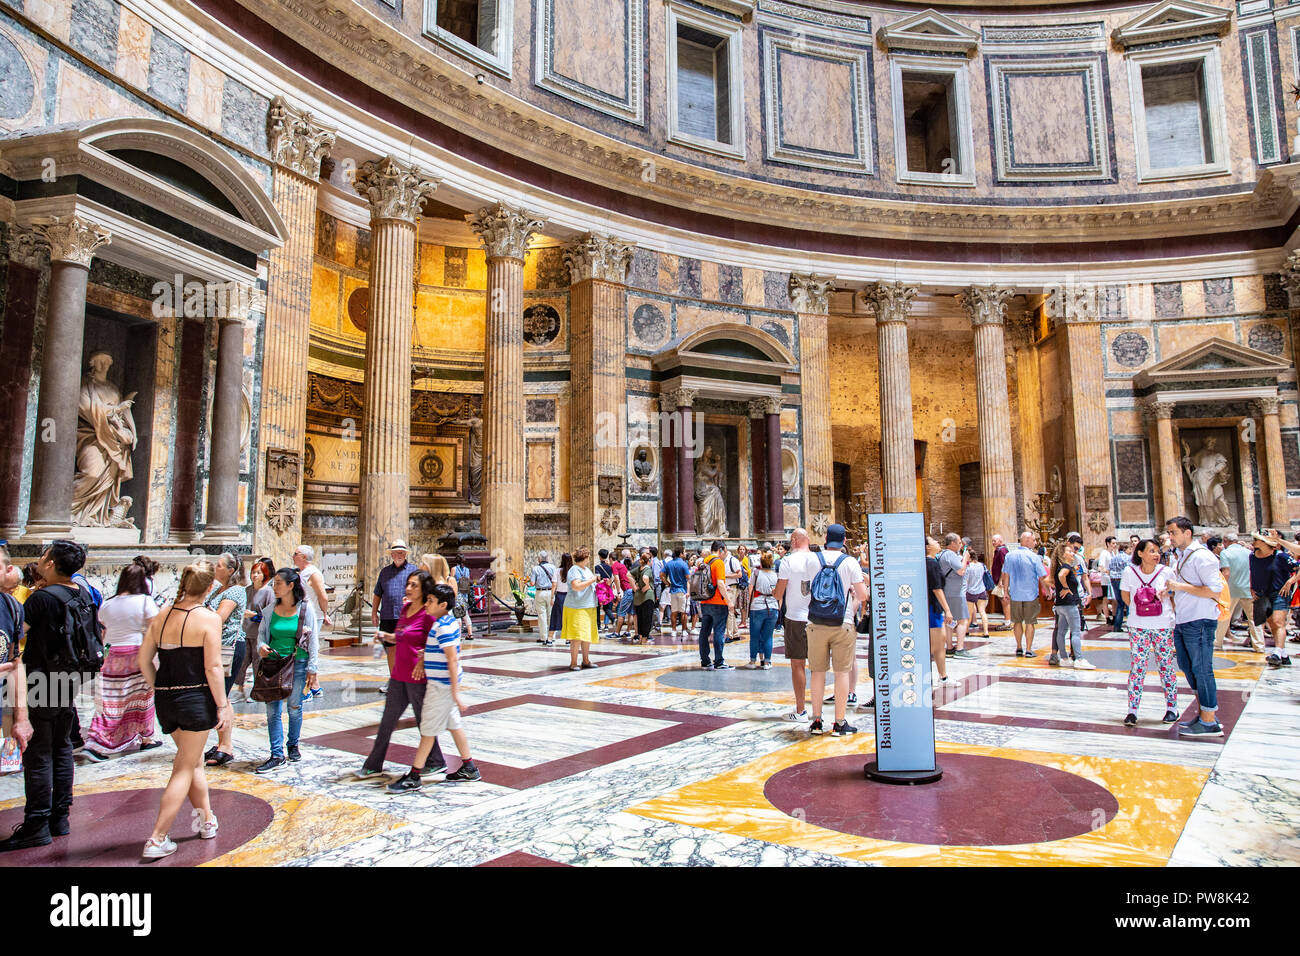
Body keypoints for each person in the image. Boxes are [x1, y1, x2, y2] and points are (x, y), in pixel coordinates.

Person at [0, 540, 99, 852]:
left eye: (44, 558)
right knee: (61, 747)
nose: (40, 562)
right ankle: (60, 816)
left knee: (38, 752)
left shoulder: (42, 598)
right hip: (70, 677)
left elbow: (18, 631)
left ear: (52, 564)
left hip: (42, 677)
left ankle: (36, 824)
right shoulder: (82, 592)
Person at [137, 560, 230, 859]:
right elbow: (213, 667)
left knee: (192, 764)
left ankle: (207, 820)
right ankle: (156, 838)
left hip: (166, 701)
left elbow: (143, 661)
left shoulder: (162, 615)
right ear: (209, 587)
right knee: (182, 769)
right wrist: (223, 705)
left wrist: (158, 688)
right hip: (195, 700)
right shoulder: (208, 618)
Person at [386, 582, 480, 790]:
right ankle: (469, 767)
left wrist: (455, 693)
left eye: (430, 601)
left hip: (442, 687)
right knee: (454, 725)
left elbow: (452, 659)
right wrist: (425, 655)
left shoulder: (444, 626)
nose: (426, 604)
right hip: (443, 686)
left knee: (428, 730)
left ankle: (414, 775)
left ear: (443, 604)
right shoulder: (445, 621)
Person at [354, 571, 447, 780]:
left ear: (424, 589)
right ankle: (373, 764)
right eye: (408, 584)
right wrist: (385, 636)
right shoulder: (405, 608)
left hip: (417, 675)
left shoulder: (428, 614)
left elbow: (436, 643)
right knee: (387, 720)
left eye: (414, 585)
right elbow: (400, 636)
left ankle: (436, 760)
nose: (408, 588)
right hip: (398, 674)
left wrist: (424, 660)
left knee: (424, 721)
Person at [83, 563, 161, 760]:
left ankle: (97, 740)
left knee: (110, 700)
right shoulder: (145, 601)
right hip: (138, 652)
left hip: (113, 654)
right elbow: (154, 630)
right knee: (142, 698)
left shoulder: (109, 603)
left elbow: (103, 629)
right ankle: (145, 738)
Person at [803, 524, 868, 736]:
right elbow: (863, 595)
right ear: (844, 541)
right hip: (843, 622)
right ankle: (839, 723)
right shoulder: (850, 562)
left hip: (816, 621)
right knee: (841, 673)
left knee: (817, 672)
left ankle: (816, 721)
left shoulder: (812, 559)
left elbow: (805, 589)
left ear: (825, 538)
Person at [254, 568, 321, 772]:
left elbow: (313, 640)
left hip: (297, 663)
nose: (274, 587)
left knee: (294, 707)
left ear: (291, 585)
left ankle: (293, 744)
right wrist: (261, 647)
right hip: (273, 664)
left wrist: (313, 668)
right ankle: (276, 753)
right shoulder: (269, 610)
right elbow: (262, 635)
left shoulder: (305, 609)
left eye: (278, 583)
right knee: (272, 710)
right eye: (273, 583)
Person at [1164, 516, 1226, 737]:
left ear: (1187, 532)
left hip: (1200, 620)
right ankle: (1204, 714)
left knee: (1202, 669)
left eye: (1173, 532)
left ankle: (1209, 722)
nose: (1170, 537)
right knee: (1188, 666)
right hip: (1184, 618)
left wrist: (1178, 586)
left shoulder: (1203, 557)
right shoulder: (1182, 556)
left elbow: (1213, 591)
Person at [1119, 539, 1180, 726]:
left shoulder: (1167, 571)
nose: (1156, 554)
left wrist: (1166, 596)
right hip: (1138, 626)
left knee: (1165, 665)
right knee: (1138, 666)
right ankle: (1132, 710)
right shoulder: (1130, 572)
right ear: (1140, 553)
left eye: (1157, 551)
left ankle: (1172, 708)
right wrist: (1140, 611)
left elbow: (1175, 594)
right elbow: (1125, 596)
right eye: (1151, 551)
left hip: (1163, 625)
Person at [202, 552, 247, 768]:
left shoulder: (236, 591)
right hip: (217, 647)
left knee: (223, 695)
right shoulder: (219, 589)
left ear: (231, 570)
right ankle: (221, 742)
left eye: (219, 565)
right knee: (218, 695)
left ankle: (226, 746)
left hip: (230, 647)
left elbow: (219, 618)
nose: (215, 567)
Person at [772, 529, 815, 719]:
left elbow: (779, 594)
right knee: (819, 666)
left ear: (794, 540)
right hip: (818, 617)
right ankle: (819, 712)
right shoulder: (817, 559)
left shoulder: (787, 561)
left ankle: (800, 710)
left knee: (798, 664)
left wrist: (775, 591)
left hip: (796, 617)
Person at [371, 541, 416, 692]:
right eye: (396, 553)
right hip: (388, 615)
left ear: (405, 555)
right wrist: (374, 613)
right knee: (390, 649)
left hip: (406, 616)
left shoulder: (413, 571)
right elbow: (378, 593)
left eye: (402, 553)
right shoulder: (384, 572)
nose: (399, 555)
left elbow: (419, 593)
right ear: (391, 555)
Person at [1248, 532, 1297, 668]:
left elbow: (1297, 568)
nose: (1254, 542)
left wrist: (1290, 581)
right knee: (1272, 623)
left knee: (1278, 621)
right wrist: (1252, 587)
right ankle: (1283, 654)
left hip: (1279, 592)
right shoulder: (1252, 556)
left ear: (1265, 543)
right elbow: (1253, 571)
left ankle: (1276, 653)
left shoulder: (1280, 556)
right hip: (1261, 594)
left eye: (1257, 540)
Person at [235, 558, 276, 701]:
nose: (255, 575)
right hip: (246, 631)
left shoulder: (268, 592)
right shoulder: (247, 590)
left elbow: (270, 615)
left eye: (258, 573)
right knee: (241, 662)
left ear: (264, 575)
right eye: (253, 572)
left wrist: (254, 616)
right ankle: (239, 689)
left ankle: (257, 691)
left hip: (259, 633)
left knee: (258, 663)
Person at [1049, 540, 1094, 669]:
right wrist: (1065, 587)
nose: (1073, 553)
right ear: (1063, 554)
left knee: (1061, 631)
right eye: (1070, 551)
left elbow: (1049, 580)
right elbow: (1061, 575)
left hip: (1060, 605)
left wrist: (1058, 588)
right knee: (1075, 631)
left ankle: (1063, 658)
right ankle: (1079, 659)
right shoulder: (1066, 567)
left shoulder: (1058, 566)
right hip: (1070, 604)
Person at [1216, 533, 1263, 652]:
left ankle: (1217, 643)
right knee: (1253, 618)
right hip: (1248, 588)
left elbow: (1226, 572)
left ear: (1225, 541)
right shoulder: (1248, 553)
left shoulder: (1225, 553)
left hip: (1231, 589)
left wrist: (1221, 589)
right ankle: (1259, 646)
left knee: (1224, 616)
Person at [561, 548, 600, 669]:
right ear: (585, 558)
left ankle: (586, 660)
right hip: (576, 607)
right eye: (588, 557)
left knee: (587, 635)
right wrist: (592, 579)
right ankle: (573, 662)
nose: (589, 559)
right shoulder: (574, 570)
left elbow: (590, 584)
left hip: (588, 605)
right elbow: (576, 586)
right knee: (576, 636)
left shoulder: (586, 569)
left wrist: (599, 582)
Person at [696, 540, 732, 670]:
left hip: (705, 601)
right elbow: (720, 583)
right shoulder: (718, 562)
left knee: (704, 632)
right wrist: (729, 601)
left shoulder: (703, 562)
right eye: (725, 551)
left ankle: (705, 660)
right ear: (721, 549)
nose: (725, 554)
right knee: (719, 631)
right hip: (718, 602)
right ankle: (719, 661)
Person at [937, 533, 972, 659]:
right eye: (958, 543)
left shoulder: (943, 554)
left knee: (949, 621)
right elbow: (961, 571)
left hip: (948, 591)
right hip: (955, 593)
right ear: (952, 543)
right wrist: (965, 558)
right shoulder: (950, 554)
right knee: (963, 620)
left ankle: (950, 647)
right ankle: (960, 648)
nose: (960, 545)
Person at [746, 550, 779, 669]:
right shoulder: (776, 574)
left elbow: (750, 590)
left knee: (755, 635)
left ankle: (752, 661)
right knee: (768, 636)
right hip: (773, 606)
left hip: (758, 606)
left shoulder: (755, 573)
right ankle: (767, 662)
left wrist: (748, 606)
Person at [293, 545, 331, 630]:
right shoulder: (301, 572)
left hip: (312, 616)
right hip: (300, 614)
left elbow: (323, 597)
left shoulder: (313, 573)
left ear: (304, 557)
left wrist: (324, 614)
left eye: (295, 554)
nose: (293, 556)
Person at [530, 551, 558, 646]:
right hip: (551, 592)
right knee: (551, 614)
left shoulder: (535, 569)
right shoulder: (553, 567)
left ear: (539, 559)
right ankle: (551, 637)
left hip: (540, 592)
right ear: (547, 558)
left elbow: (532, 584)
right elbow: (555, 581)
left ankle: (543, 637)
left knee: (541, 615)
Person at [663, 549, 690, 638]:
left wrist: (667, 583)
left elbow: (661, 574)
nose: (685, 554)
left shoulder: (669, 563)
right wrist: (688, 591)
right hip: (682, 590)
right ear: (681, 554)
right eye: (684, 552)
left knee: (674, 611)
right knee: (684, 612)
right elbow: (688, 578)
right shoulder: (683, 564)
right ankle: (684, 630)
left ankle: (673, 630)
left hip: (673, 590)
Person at [631, 548, 656, 644]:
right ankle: (644, 640)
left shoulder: (638, 568)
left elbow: (628, 574)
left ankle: (641, 638)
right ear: (649, 561)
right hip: (647, 597)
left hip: (638, 597)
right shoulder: (647, 569)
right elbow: (645, 577)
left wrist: (634, 586)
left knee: (640, 618)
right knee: (647, 619)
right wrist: (647, 585)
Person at [964, 552, 990, 638]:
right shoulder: (982, 565)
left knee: (969, 613)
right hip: (981, 590)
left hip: (970, 591)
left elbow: (966, 580)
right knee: (982, 611)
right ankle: (986, 632)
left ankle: (966, 630)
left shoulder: (968, 567)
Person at [548, 553, 572, 645]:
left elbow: (554, 585)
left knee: (555, 616)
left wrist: (552, 597)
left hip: (559, 596)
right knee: (568, 617)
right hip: (570, 596)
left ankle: (550, 638)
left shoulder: (557, 571)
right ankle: (568, 639)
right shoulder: (572, 571)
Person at [612, 550, 635, 639]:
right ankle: (628, 631)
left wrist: (618, 592)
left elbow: (616, 579)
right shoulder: (624, 566)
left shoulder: (615, 566)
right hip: (632, 590)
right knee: (631, 613)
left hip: (627, 591)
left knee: (621, 613)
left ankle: (617, 633)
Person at [1108, 541, 1131, 631]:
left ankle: (1117, 626)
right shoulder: (1128, 558)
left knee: (1120, 604)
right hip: (1124, 580)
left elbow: (1109, 569)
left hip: (1114, 580)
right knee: (1128, 602)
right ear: (1125, 549)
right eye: (1129, 549)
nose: (1130, 551)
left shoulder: (1114, 558)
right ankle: (1130, 626)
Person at [594, 549, 616, 634]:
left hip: (601, 588)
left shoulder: (598, 567)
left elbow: (598, 578)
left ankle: (598, 625)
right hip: (608, 587)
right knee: (607, 607)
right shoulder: (610, 567)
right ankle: (612, 619)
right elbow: (613, 577)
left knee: (598, 607)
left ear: (599, 556)